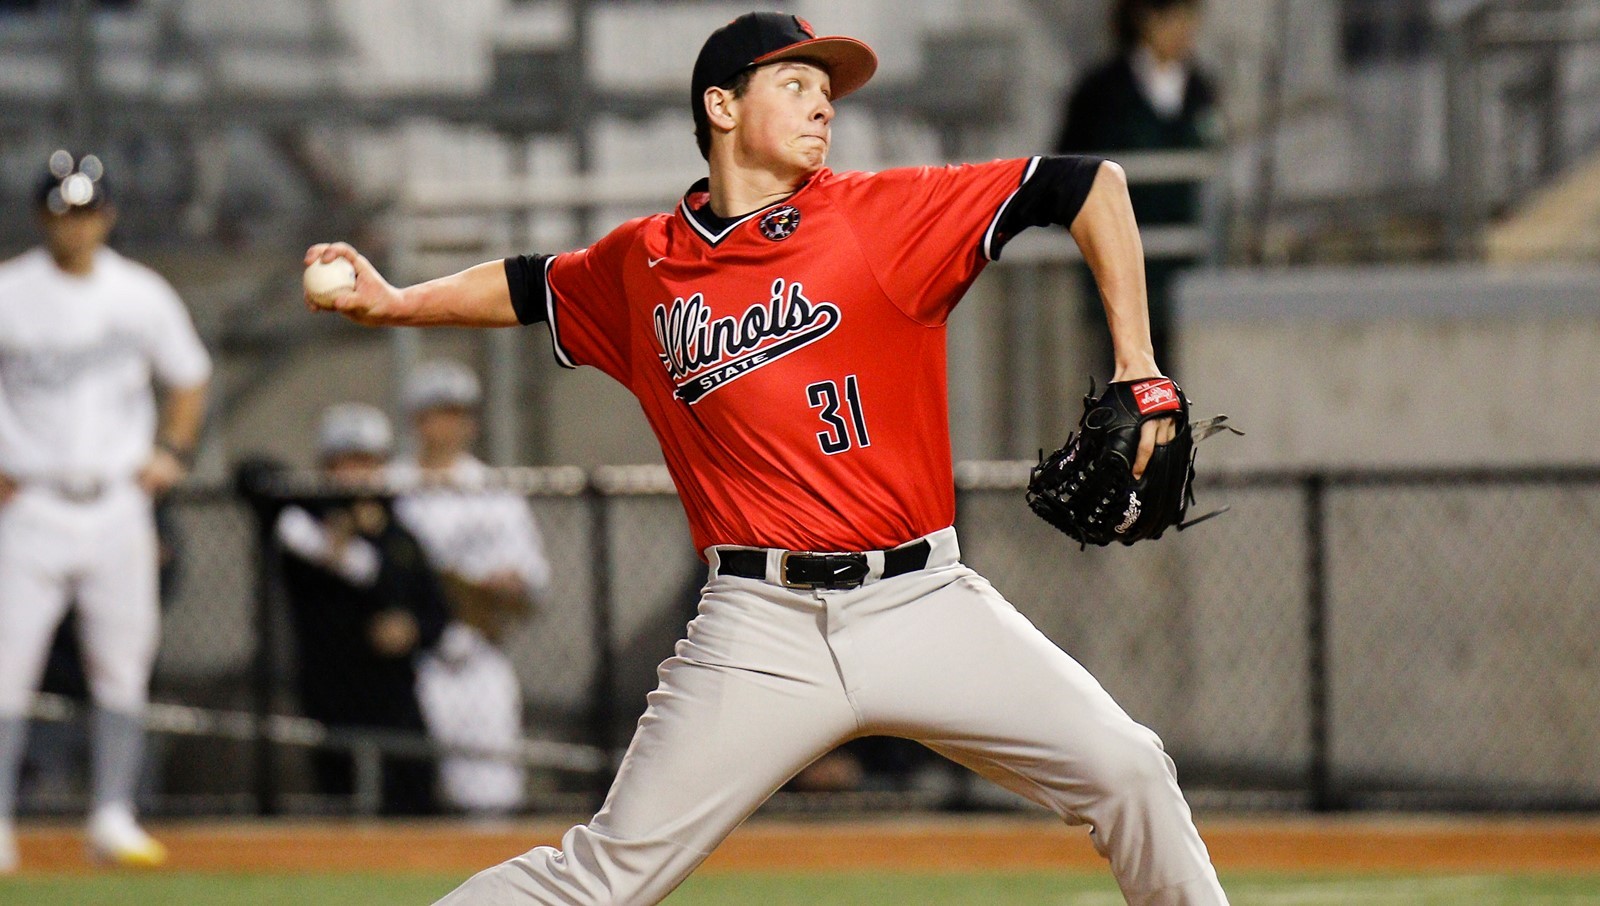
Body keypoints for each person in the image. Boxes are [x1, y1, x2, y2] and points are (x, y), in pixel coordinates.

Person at [305, 12, 1228, 904]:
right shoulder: (644, 264)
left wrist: (1138, 363)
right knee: (601, 877)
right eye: (796, 84)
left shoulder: (877, 216)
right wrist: (395, 304)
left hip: (922, 601)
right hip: (758, 625)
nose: (824, 106)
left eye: (828, 91)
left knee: (1132, 770)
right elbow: (529, 284)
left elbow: (1087, 183)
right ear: (721, 106)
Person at [0, 151, 211, 872]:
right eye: (64, 211)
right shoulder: (10, 291)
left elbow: (188, 377)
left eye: (88, 211)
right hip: (31, 502)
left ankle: (113, 816)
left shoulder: (140, 293)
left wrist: (173, 453)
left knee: (123, 666)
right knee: (7, 668)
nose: (77, 225)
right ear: (42, 216)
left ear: (109, 216)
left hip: (118, 503)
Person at [391, 359, 551, 815]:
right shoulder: (392, 485)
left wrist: (505, 584)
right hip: (411, 660)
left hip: (479, 652)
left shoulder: (491, 489)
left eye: (461, 412)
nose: (453, 423)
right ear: (418, 418)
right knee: (410, 793)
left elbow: (534, 580)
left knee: (492, 794)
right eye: (442, 411)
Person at [274, 403, 449, 816]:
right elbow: (253, 477)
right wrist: (327, 544)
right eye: (346, 461)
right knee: (341, 802)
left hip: (393, 693)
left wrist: (411, 629)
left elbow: (436, 612)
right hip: (330, 688)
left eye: (367, 461)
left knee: (411, 798)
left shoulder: (400, 534)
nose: (356, 473)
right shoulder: (306, 519)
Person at [1055, 0, 1219, 375]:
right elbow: (1067, 174)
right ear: (1145, 18)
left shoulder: (1201, 90)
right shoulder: (1100, 93)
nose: (1186, 29)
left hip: (1186, 275)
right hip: (1117, 279)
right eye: (1176, 16)